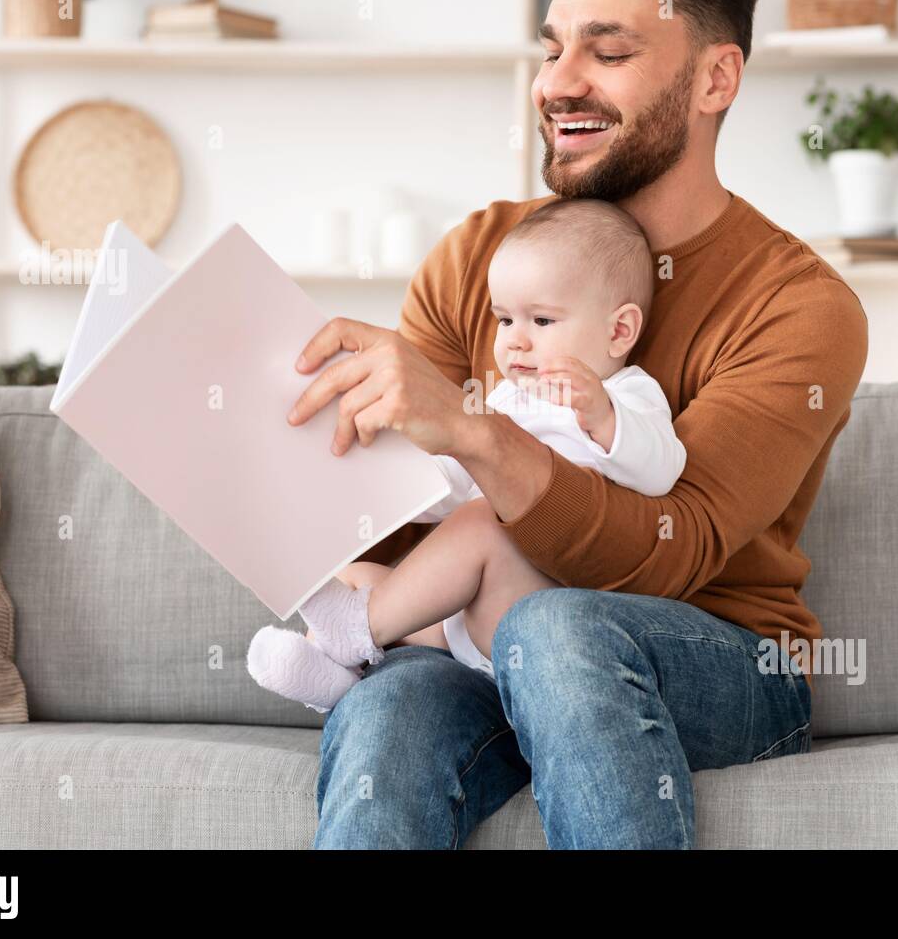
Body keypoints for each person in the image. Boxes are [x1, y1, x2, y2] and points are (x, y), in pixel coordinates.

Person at [285, 0, 868, 848]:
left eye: (608, 51)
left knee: (557, 631)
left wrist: (476, 432)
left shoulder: (799, 306)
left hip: (717, 659)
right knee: (393, 705)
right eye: (553, 48)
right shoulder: (481, 252)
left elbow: (670, 556)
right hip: (479, 641)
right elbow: (409, 541)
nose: (556, 83)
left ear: (717, 77)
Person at [246, 199, 687, 710]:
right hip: (460, 625)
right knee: (357, 576)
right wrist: (393, 473)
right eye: (503, 320)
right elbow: (447, 487)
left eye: (541, 321)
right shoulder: (502, 402)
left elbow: (662, 472)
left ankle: (353, 634)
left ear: (619, 331)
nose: (515, 342)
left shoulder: (629, 396)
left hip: (544, 621)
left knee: (482, 523)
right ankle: (330, 676)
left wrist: (605, 418)